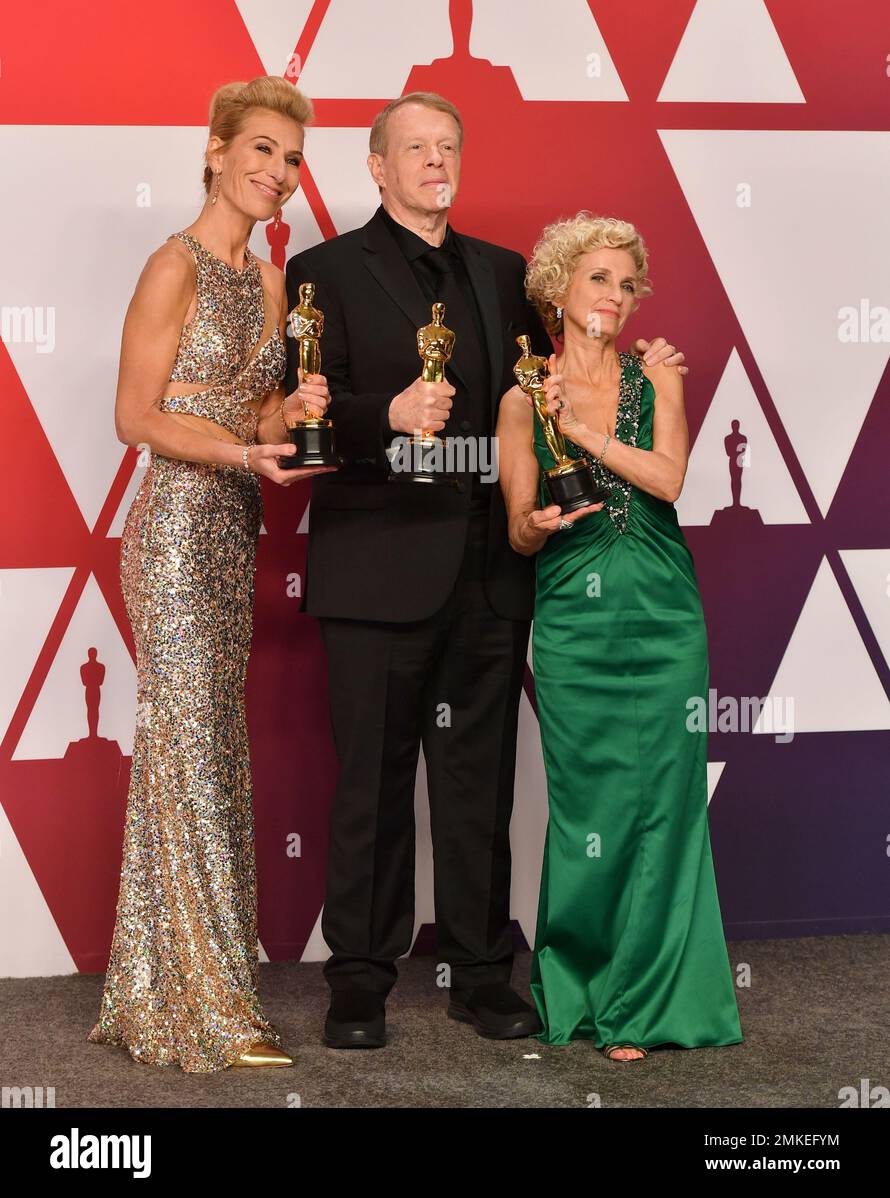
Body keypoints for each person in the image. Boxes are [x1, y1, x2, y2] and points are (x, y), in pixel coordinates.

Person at [284, 94, 687, 1047]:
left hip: (493, 570)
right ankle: (360, 978)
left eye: (448, 145)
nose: (436, 160)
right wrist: (384, 413)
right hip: (377, 568)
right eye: (415, 148)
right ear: (376, 167)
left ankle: (478, 970)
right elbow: (301, 416)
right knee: (371, 785)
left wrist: (645, 368)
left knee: (480, 786)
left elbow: (562, 383)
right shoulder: (322, 271)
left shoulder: (506, 274)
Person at [89, 76, 332, 1072]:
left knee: (209, 754)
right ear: (216, 149)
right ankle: (208, 1004)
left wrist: (296, 408)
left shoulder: (273, 286)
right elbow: (135, 418)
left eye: (291, 158)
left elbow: (262, 420)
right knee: (187, 750)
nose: (278, 173)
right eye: (263, 150)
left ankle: (170, 986)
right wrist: (242, 453)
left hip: (231, 533)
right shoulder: (171, 265)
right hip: (173, 532)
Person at [497, 213, 743, 1062]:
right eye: (597, 277)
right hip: (572, 613)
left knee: (668, 804)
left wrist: (590, 431)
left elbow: (669, 479)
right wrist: (535, 522)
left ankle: (645, 1002)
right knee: (591, 808)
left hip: (665, 607)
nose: (613, 294)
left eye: (625, 282)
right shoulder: (520, 398)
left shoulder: (655, 378)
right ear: (558, 289)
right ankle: (581, 987)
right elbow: (520, 532)